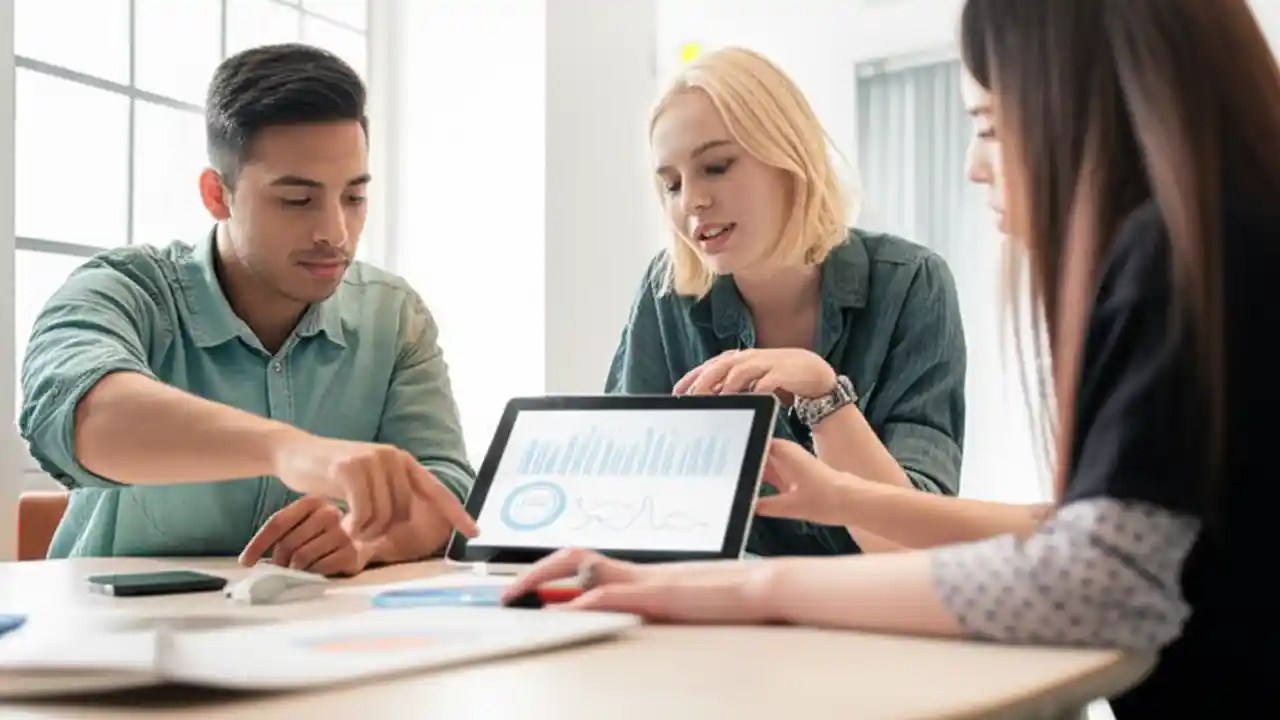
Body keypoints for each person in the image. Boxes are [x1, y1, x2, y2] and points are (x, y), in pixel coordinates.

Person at [506, 0, 1280, 713]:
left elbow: (1099, 577)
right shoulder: (1208, 237)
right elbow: (1084, 530)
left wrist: (755, 586)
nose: (973, 164)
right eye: (670, 183)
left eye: (989, 125)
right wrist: (838, 500)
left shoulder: (1174, 256)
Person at [18, 43, 478, 575]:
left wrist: (370, 538)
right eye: (297, 200)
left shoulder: (393, 316)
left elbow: (446, 487)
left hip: (322, 623)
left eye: (353, 198)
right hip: (119, 622)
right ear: (217, 195)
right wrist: (291, 451)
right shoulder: (123, 290)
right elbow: (81, 412)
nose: (336, 233)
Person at [607, 47, 967, 556]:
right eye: (671, 184)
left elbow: (911, 547)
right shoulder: (666, 294)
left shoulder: (912, 284)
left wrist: (825, 396)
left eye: (716, 166)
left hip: (865, 602)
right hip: (719, 599)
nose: (691, 201)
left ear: (790, 160)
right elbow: (621, 508)